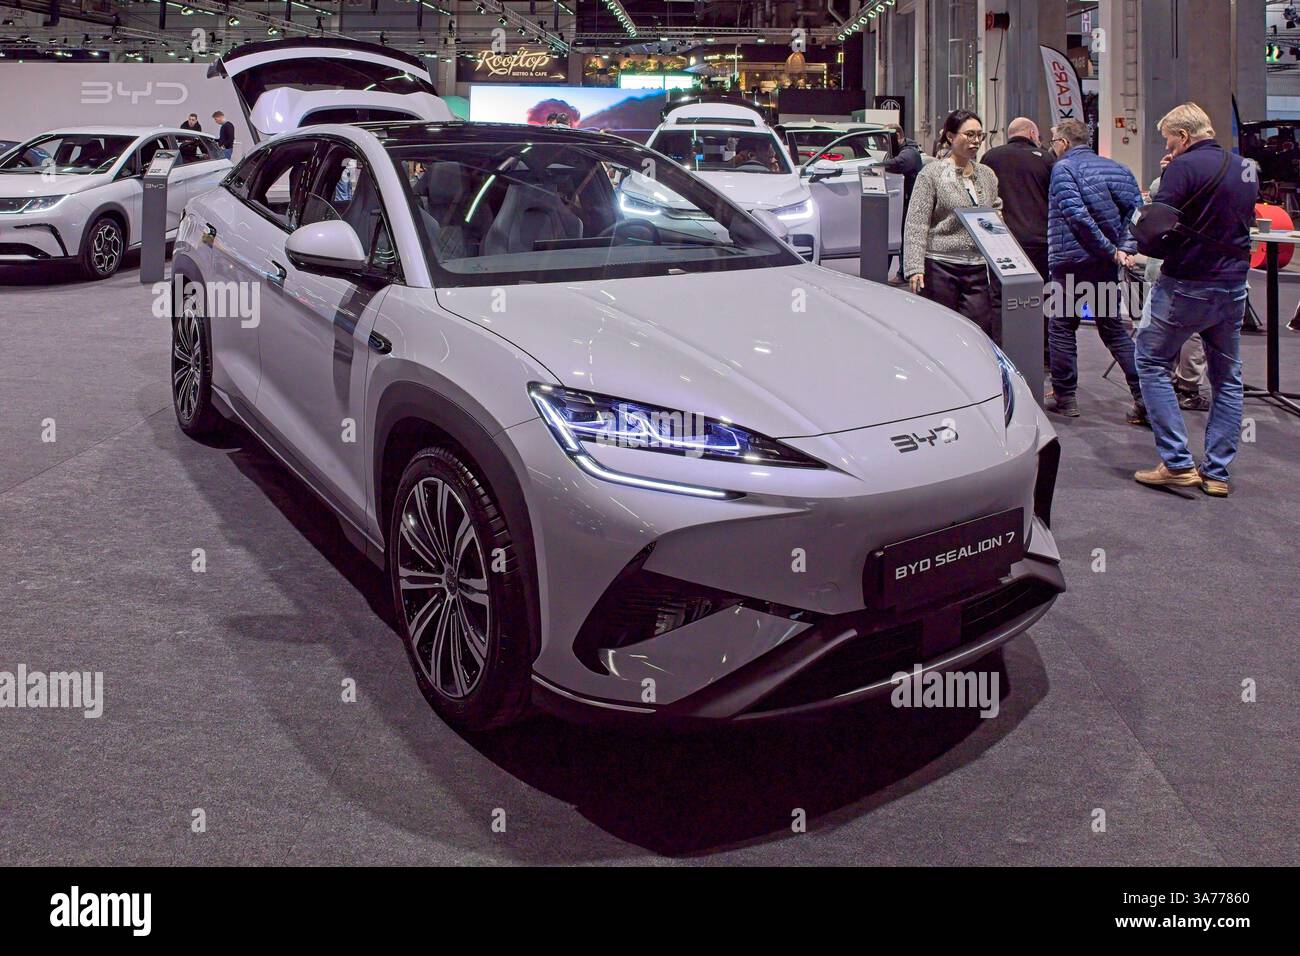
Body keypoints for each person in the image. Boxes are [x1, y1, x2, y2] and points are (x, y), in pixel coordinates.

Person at [1132, 103, 1256, 498]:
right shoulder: (1246, 167)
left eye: (1169, 138)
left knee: (1150, 361)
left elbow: (1154, 227)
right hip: (1234, 285)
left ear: (1183, 137)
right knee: (1227, 378)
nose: (1167, 145)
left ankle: (1177, 463)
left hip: (1186, 284)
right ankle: (1216, 472)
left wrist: (1168, 177)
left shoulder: (1181, 168)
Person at [1044, 118, 1145, 424]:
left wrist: (1111, 249)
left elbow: (1076, 217)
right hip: (1104, 265)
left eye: (1053, 142)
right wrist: (1122, 249)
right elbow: (1138, 212)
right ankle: (1144, 396)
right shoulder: (1119, 168)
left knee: (1062, 326)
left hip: (1070, 263)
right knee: (1112, 329)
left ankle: (1066, 397)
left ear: (1062, 143)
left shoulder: (1063, 168)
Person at [902, 109, 1001, 338]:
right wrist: (914, 267)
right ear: (950, 136)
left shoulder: (987, 174)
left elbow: (995, 207)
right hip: (940, 265)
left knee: (979, 332)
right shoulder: (932, 173)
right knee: (940, 332)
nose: (976, 141)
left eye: (979, 135)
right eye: (969, 134)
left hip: (977, 266)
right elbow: (917, 222)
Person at [981, 117, 1053, 285]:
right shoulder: (1046, 158)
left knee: (1002, 292)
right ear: (1033, 134)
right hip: (1038, 239)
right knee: (1038, 291)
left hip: (1000, 238)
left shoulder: (990, 157)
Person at [884, 123, 924, 284]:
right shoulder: (903, 151)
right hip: (902, 201)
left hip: (911, 201)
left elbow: (899, 164)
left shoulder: (909, 152)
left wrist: (873, 167)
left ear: (899, 137)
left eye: (887, 140)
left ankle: (904, 273)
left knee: (905, 237)